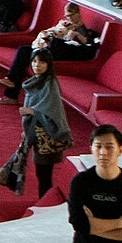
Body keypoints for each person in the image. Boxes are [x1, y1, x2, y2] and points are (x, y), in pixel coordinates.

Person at [0, 3, 98, 104]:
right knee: (23, 50)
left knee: (27, 56)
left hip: (61, 53)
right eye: (67, 16)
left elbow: (87, 44)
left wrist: (76, 35)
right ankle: (10, 83)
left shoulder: (81, 28)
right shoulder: (65, 24)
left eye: (71, 15)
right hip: (51, 49)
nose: (69, 18)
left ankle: (11, 93)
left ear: (78, 14)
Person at [19, 49, 71, 199]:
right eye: (34, 61)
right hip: (36, 132)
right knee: (41, 174)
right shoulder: (36, 81)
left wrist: (31, 111)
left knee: (44, 175)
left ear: (49, 64)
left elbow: (53, 109)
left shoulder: (50, 83)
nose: (37, 65)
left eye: (42, 62)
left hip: (47, 134)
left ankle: (46, 203)